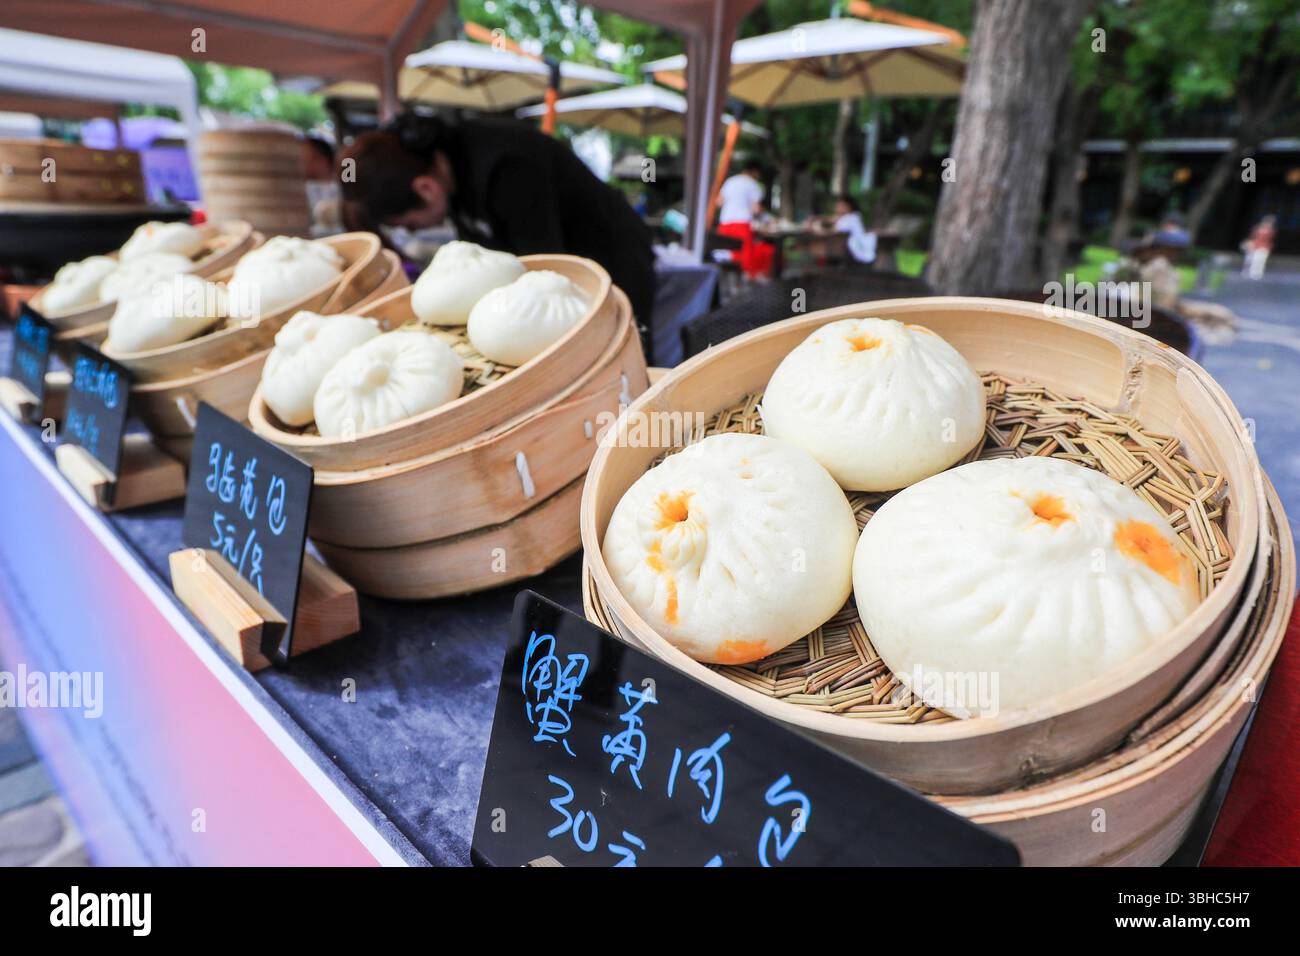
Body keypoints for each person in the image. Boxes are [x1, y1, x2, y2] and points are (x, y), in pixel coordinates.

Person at [339, 111, 657, 322]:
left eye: (408, 224)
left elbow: (543, 267)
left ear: (426, 188)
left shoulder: (508, 168)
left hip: (612, 257)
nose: (417, 229)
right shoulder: (451, 172)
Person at [716, 160, 774, 279]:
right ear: (755, 172)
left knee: (726, 254)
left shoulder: (730, 181)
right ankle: (745, 285)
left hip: (725, 222)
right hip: (741, 223)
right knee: (744, 256)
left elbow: (719, 202)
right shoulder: (752, 184)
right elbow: (756, 209)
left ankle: (727, 282)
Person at [1242, 215, 1276, 280]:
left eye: (1270, 223)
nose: (1268, 224)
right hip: (1255, 246)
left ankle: (1256, 273)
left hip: (1264, 247)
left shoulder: (1271, 231)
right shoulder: (1257, 228)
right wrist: (1249, 244)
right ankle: (1247, 272)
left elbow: (1269, 239)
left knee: (1260, 260)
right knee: (1251, 259)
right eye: (1267, 222)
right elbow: (1252, 237)